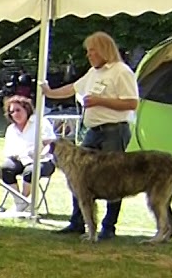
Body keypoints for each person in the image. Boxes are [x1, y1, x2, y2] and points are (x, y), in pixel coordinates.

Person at [42, 31, 140, 240]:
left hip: (114, 130)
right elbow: (73, 88)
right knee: (78, 175)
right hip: (93, 131)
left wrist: (100, 101)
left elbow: (132, 102)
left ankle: (108, 227)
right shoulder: (93, 72)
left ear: (104, 50)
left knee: (113, 178)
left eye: (92, 50)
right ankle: (78, 222)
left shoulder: (121, 72)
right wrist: (50, 93)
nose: (88, 55)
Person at [0, 95, 57, 214]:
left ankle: (23, 201)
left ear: (26, 109)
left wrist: (38, 155)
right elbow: (8, 151)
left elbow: (50, 145)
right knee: (5, 169)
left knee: (31, 171)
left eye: (18, 110)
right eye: (12, 112)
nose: (15, 114)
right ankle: (21, 203)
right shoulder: (11, 129)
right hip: (20, 159)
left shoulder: (41, 122)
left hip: (43, 160)